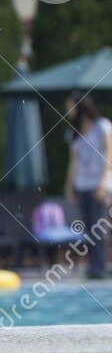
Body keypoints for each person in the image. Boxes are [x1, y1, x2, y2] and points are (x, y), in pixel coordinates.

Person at [64, 94, 112, 279]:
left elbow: (109, 155)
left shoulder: (102, 126)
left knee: (99, 227)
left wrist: (103, 183)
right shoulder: (72, 133)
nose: (68, 112)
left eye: (70, 107)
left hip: (100, 185)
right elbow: (73, 163)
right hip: (82, 185)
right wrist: (69, 186)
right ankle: (94, 267)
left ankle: (99, 268)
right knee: (88, 228)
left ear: (80, 108)